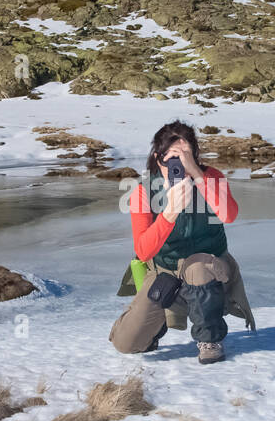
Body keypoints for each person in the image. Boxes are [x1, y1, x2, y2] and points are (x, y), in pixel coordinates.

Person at [109, 121, 255, 364]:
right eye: (172, 158)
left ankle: (210, 339)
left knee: (197, 267)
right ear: (158, 159)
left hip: (209, 267)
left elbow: (228, 215)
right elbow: (143, 251)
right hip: (166, 272)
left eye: (186, 156)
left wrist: (198, 175)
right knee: (127, 344)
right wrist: (169, 212)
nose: (179, 166)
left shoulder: (211, 178)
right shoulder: (144, 192)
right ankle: (153, 326)